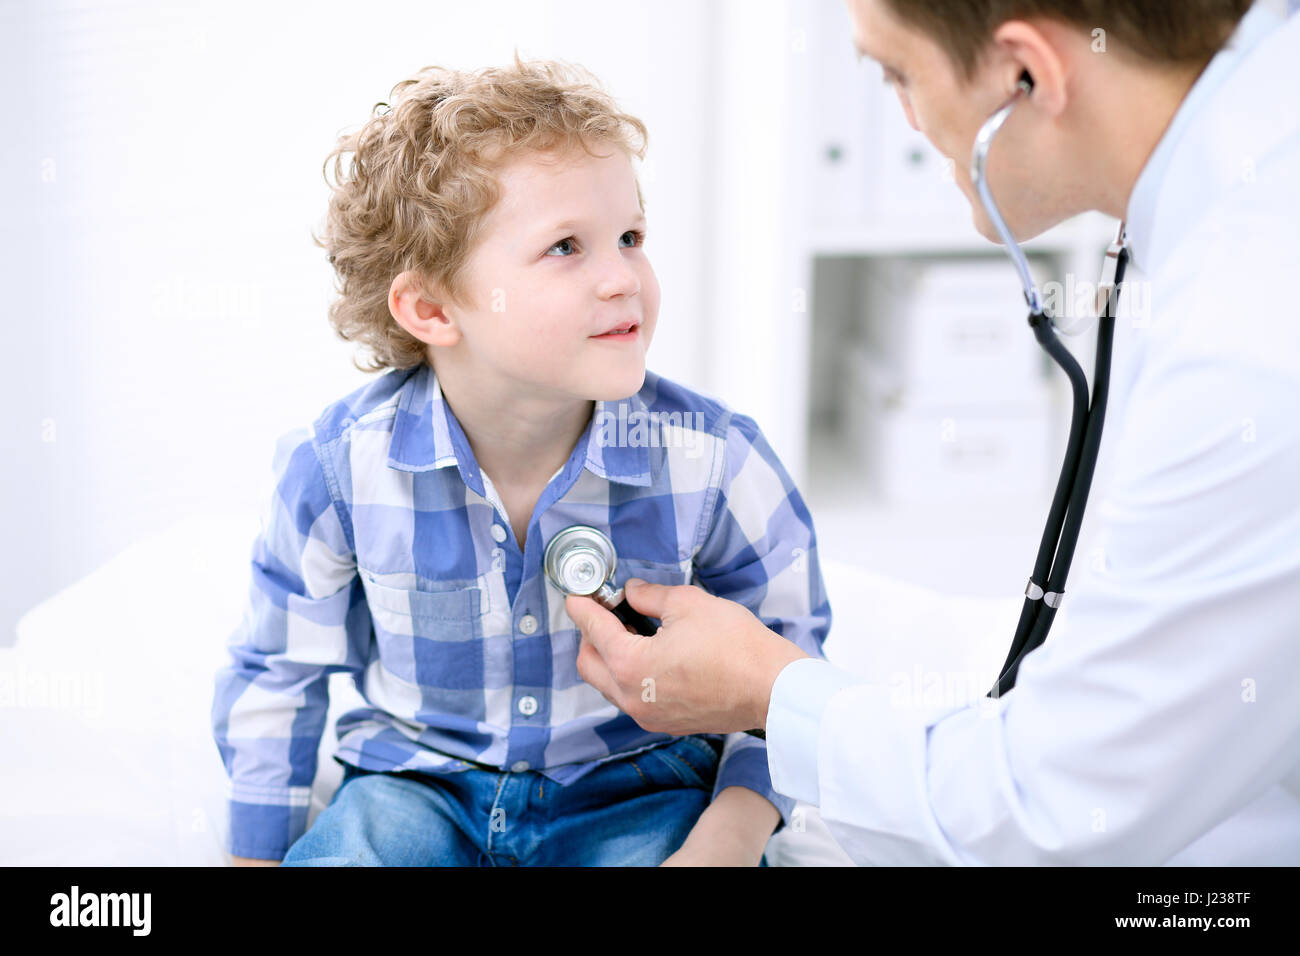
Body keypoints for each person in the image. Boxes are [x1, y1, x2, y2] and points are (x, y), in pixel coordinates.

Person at [565, 0, 1300, 864]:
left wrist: (768, 693)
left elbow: (1053, 805)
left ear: (1029, 73)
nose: (905, 122)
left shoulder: (1250, 347)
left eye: (898, 74)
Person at [210, 55, 831, 867]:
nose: (623, 279)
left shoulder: (713, 462)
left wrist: (730, 835)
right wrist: (255, 857)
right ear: (432, 307)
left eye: (631, 238)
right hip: (416, 788)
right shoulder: (336, 472)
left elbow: (790, 673)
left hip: (634, 786)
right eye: (567, 247)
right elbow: (277, 673)